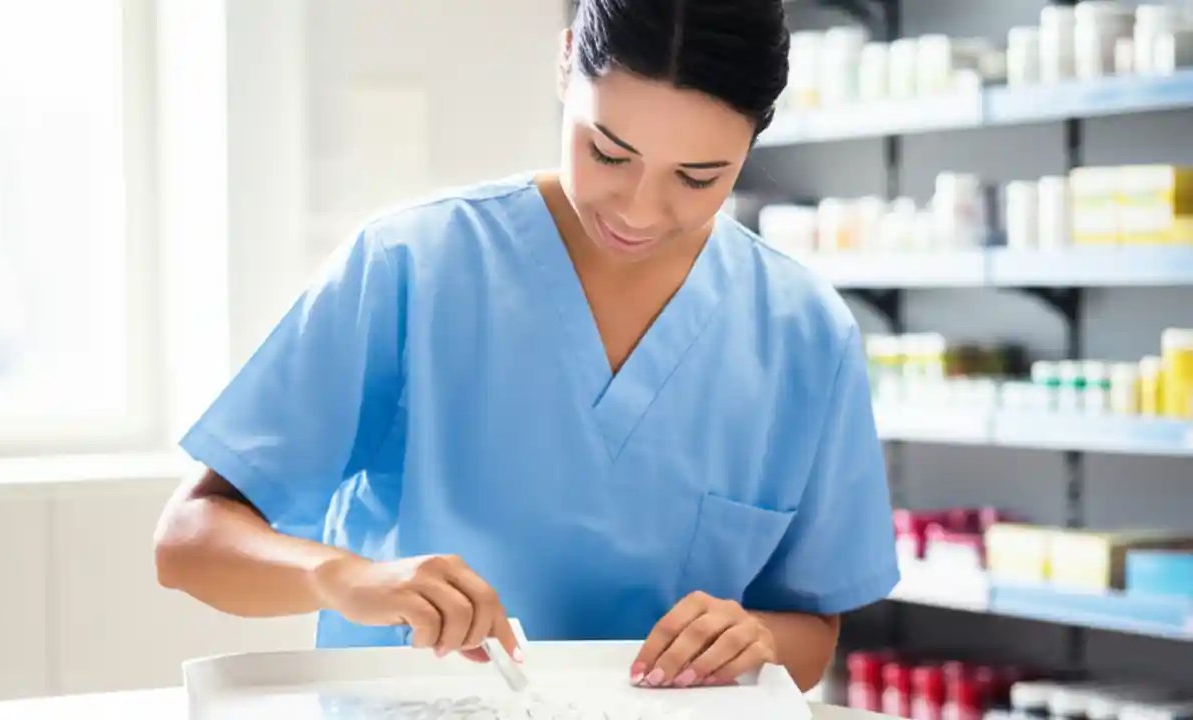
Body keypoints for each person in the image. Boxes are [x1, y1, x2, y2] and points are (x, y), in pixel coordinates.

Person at [154, 0, 898, 693]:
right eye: (609, 153)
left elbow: (810, 631)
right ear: (565, 61)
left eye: (698, 178)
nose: (639, 210)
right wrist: (341, 577)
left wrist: (755, 639)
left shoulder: (802, 332)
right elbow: (190, 540)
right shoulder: (414, 266)